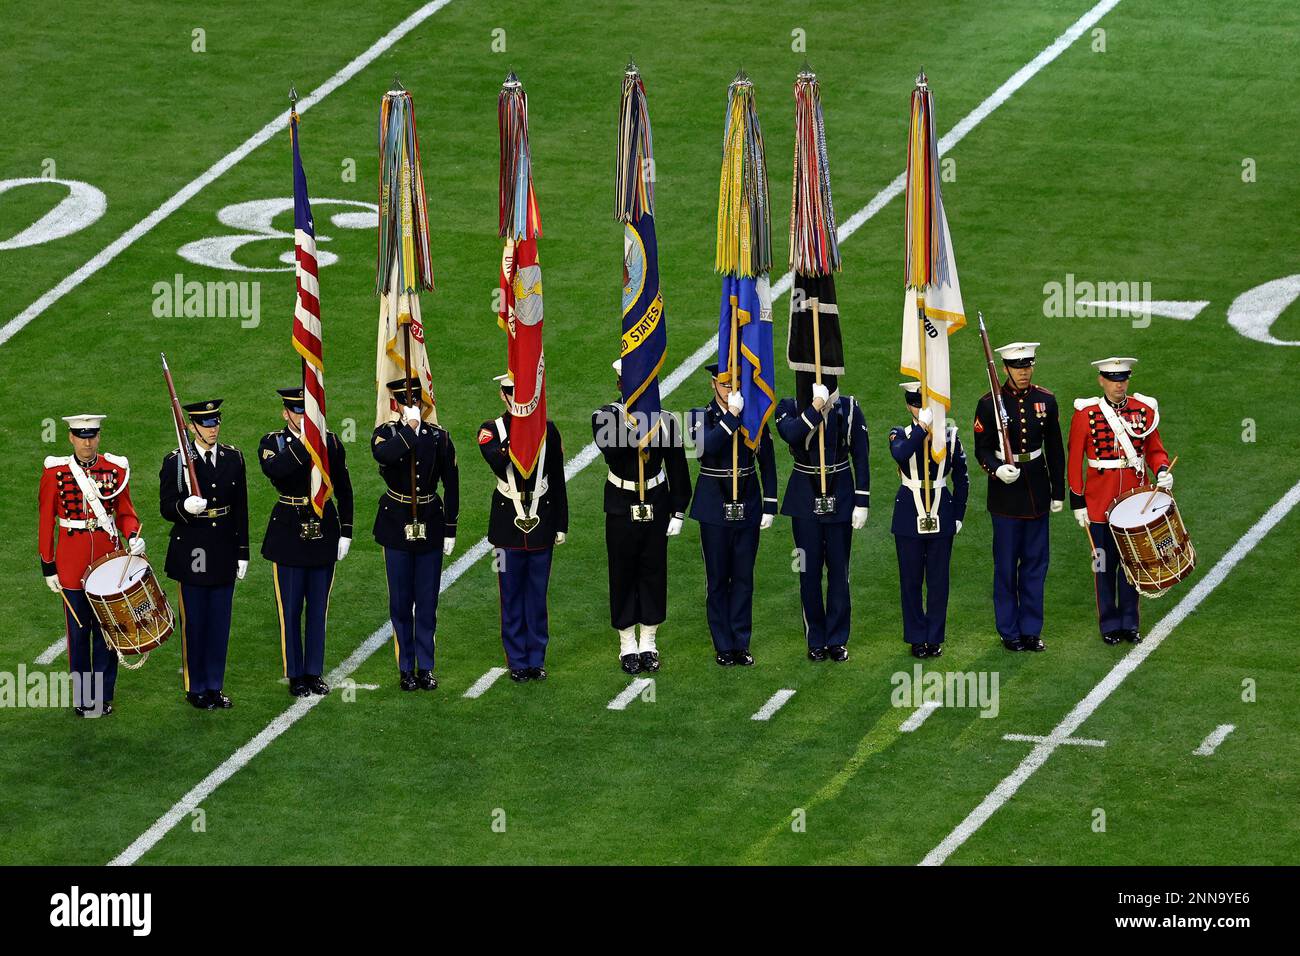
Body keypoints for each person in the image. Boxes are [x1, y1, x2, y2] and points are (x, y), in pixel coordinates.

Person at [38, 414, 143, 716]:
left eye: (92, 436)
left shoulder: (114, 469)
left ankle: (104, 694)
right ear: (71, 438)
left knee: (109, 632)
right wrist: (49, 565)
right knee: (80, 633)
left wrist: (133, 535)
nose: (87, 442)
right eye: (81, 436)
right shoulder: (55, 472)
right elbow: (46, 521)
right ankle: (84, 698)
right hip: (71, 564)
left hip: (108, 562)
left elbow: (125, 512)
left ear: (98, 437)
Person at [593, 359, 691, 674]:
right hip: (621, 502)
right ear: (620, 384)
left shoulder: (665, 420)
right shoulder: (605, 416)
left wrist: (678, 509)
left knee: (652, 570)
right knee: (622, 571)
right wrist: (638, 422)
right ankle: (627, 644)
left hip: (656, 500)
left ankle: (648, 641)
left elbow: (678, 467)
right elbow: (612, 449)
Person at [1068, 357, 1172, 645]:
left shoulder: (1142, 411)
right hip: (1099, 505)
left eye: (1123, 379)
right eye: (1113, 380)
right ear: (1101, 380)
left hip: (1134, 503)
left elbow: (1154, 450)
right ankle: (1109, 624)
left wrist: (1162, 470)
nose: (1119, 385)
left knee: (1133, 565)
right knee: (1103, 567)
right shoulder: (1085, 414)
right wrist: (1078, 502)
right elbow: (1075, 460)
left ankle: (1130, 623)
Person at [258, 386, 354, 697]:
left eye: (307, 410)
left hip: (323, 530)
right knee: (290, 609)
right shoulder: (272, 443)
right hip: (288, 532)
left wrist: (347, 530)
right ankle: (295, 673)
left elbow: (344, 487)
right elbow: (277, 471)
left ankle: (314, 671)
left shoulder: (331, 443)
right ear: (285, 413)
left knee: (317, 608)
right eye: (297, 411)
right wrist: (305, 442)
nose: (303, 416)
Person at [972, 342, 1065, 652]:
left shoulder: (1046, 400)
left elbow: (1054, 448)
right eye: (1018, 367)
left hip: (1037, 490)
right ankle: (1009, 630)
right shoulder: (989, 404)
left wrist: (1057, 492)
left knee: (1036, 565)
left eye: (1028, 366)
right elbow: (981, 448)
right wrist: (996, 469)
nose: (1024, 372)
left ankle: (1030, 630)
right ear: (1005, 369)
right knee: (1006, 566)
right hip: (1005, 498)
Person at [160, 399, 249, 709]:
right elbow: (166, 506)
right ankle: (195, 686)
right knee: (195, 622)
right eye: (207, 425)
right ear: (194, 427)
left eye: (216, 423)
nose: (213, 429)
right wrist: (184, 508)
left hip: (223, 546)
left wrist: (243, 552)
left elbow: (241, 508)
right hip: (193, 549)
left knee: (219, 624)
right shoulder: (177, 462)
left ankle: (214, 685)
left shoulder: (233, 458)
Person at [479, 373, 568, 682]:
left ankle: (536, 659)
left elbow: (557, 479)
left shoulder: (549, 431)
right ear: (503, 396)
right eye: (511, 395)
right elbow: (495, 461)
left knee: (537, 596)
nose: (517, 400)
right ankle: (517, 660)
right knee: (511, 596)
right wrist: (521, 428)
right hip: (507, 528)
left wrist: (561, 523)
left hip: (542, 521)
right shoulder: (492, 430)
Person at [688, 363, 778, 666]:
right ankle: (722, 644)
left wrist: (769, 502)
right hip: (714, 506)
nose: (731, 391)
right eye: (725, 385)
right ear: (714, 385)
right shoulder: (699, 416)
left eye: (734, 385)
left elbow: (767, 458)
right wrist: (731, 419)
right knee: (717, 579)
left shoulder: (753, 416)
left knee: (743, 578)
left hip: (748, 503)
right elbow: (704, 449)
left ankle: (741, 642)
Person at [774, 377, 869, 662]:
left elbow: (861, 456)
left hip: (840, 498)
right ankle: (815, 638)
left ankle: (837, 639)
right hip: (804, 502)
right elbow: (791, 434)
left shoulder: (849, 408)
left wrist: (861, 501)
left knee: (839, 573)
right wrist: (815, 407)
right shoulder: (790, 407)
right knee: (808, 572)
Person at [372, 377, 458, 691]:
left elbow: (452, 483)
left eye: (417, 402)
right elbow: (385, 456)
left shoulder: (439, 437)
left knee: (426, 602)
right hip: (395, 524)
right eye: (407, 402)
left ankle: (426, 667)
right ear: (395, 404)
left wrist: (450, 528)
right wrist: (409, 429)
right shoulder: (385, 435)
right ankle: (406, 667)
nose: (414, 407)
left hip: (430, 522)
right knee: (400, 601)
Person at [889, 383, 969, 659]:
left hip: (940, 508)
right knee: (910, 581)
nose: (919, 408)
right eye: (915, 404)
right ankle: (916, 637)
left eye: (924, 404)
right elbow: (900, 454)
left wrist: (958, 514)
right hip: (909, 510)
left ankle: (934, 637)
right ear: (908, 406)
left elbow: (961, 478)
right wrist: (922, 429)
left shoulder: (950, 435)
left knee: (938, 581)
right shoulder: (900, 433)